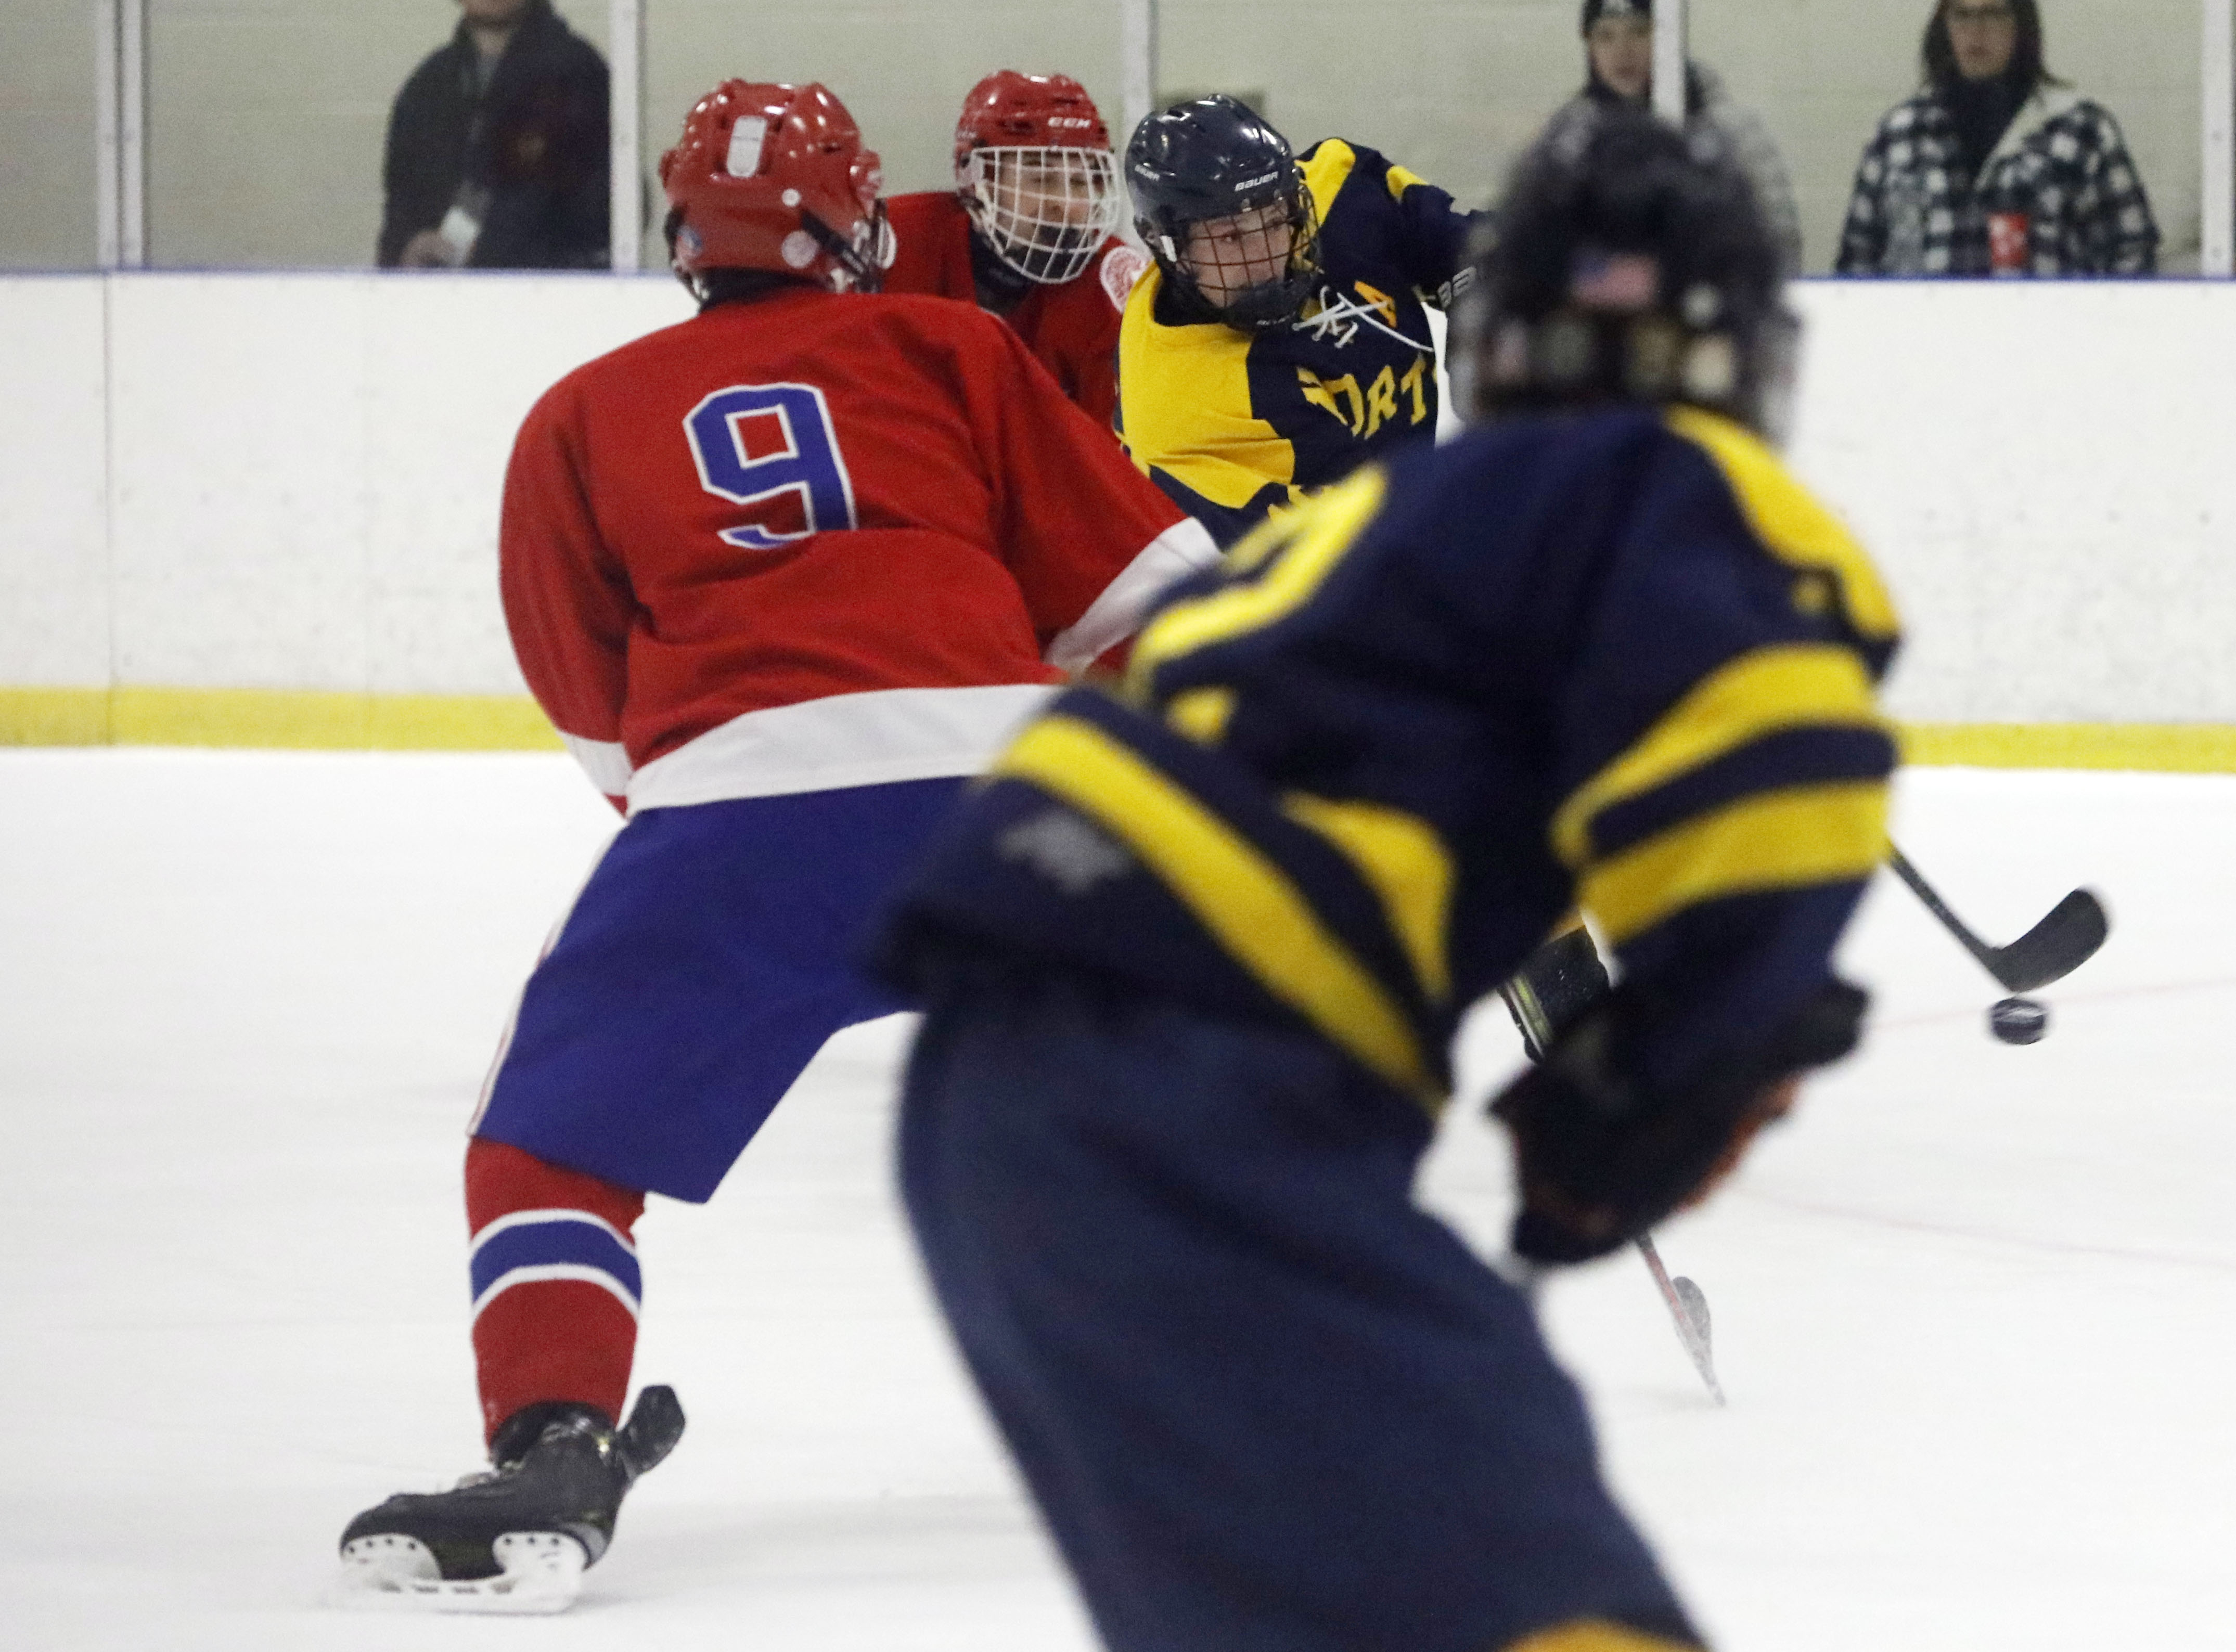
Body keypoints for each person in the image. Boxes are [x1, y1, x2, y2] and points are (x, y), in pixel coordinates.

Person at [875, 102, 1901, 1652]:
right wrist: (1662, 1066)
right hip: (1188, 1100)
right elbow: (1775, 816)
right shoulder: (1684, 494)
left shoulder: (1377, 514)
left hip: (985, 1084)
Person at [335, 79, 1216, 1611]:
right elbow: (1163, 606)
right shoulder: (952, 342)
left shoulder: (579, 415)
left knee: (545, 1143)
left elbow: (599, 719)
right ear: (851, 223)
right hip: (1005, 790)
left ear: (686, 234)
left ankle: (553, 1433)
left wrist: (744, 843)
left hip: (732, 803)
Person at [1115, 95, 1484, 546]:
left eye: (1275, 222)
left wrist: (1487, 312)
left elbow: (1484, 249)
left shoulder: (1338, 191)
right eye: (1231, 238)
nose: (1267, 258)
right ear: (1165, 244)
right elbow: (1344, 555)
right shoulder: (1182, 416)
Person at [882, 72, 1148, 428]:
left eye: (1081, 182)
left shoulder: (1112, 284)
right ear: (975, 179)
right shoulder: (892, 244)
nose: (1064, 204)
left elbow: (1114, 463)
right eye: (1041, 179)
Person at [1836, 0, 2158, 276]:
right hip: (1925, 340)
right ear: (1943, 27)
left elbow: (2133, 256)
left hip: (2044, 341)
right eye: (1962, 15)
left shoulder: (2081, 132)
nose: (1976, 31)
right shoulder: (1899, 135)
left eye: (1993, 13)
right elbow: (1856, 262)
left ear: (2021, 27)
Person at [1572, 0, 1804, 277]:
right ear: (1590, 46)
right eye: (1606, 36)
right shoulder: (1572, 141)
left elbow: (1780, 240)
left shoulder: (1732, 132)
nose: (1623, 50)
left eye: (1640, 31)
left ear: (1668, 37)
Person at [378, 0, 610, 269]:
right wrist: (407, 256)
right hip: (441, 304)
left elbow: (607, 220)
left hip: (549, 300)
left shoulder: (580, 76)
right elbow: (398, 220)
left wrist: (495, 256)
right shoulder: (427, 88)